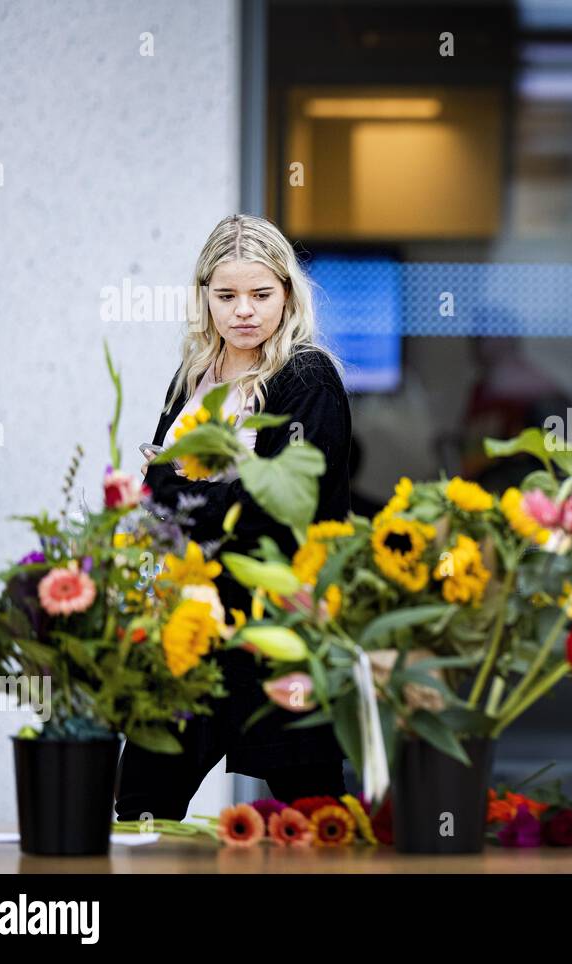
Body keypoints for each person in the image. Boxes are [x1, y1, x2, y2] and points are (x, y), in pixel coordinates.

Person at [115, 214, 353, 821]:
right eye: (226, 296)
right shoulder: (192, 377)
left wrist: (176, 479)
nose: (243, 311)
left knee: (314, 813)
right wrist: (191, 485)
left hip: (277, 628)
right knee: (142, 805)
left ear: (288, 295)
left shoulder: (306, 378)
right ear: (205, 298)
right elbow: (154, 496)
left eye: (260, 294)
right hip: (189, 628)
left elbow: (283, 509)